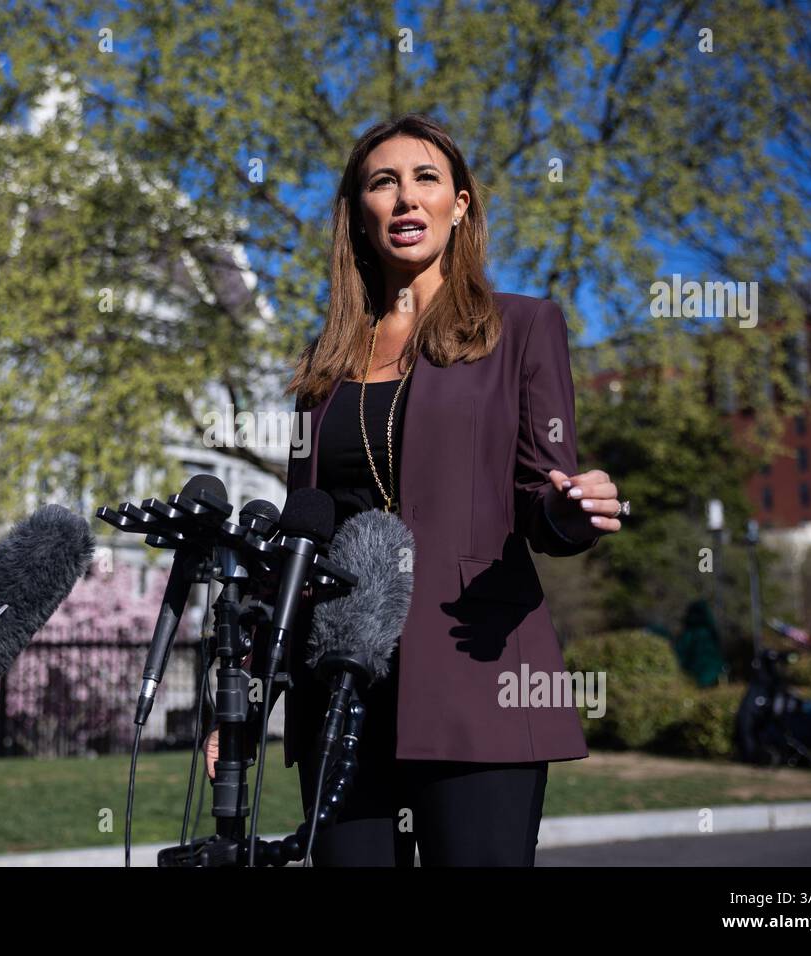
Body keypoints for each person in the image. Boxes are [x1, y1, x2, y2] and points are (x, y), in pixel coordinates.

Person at [209, 113, 627, 866]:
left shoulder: (525, 329)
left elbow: (542, 496)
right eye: (383, 183)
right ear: (359, 214)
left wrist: (571, 510)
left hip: (480, 671)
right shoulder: (324, 366)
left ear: (460, 205)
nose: (405, 198)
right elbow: (304, 537)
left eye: (426, 179)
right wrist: (246, 690)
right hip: (342, 685)